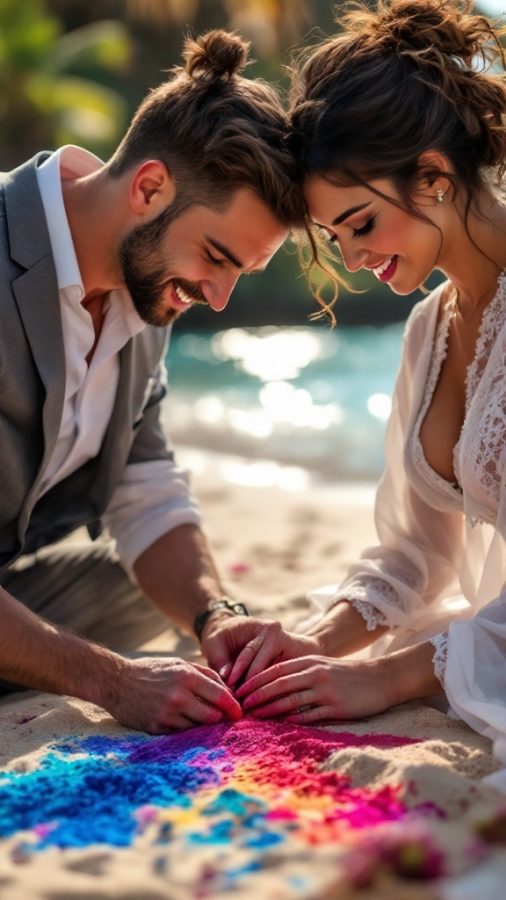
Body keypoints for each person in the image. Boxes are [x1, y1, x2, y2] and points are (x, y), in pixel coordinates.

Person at [0, 29, 307, 734]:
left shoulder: (148, 285)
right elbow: (110, 676)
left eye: (242, 274)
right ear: (148, 187)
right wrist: (109, 679)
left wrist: (215, 613)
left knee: (132, 590)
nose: (220, 296)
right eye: (217, 256)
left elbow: (144, 485)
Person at [226, 0, 506, 770]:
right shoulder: (430, 328)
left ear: (434, 177)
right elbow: (420, 550)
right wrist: (316, 642)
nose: (350, 258)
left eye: (359, 223)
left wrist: (386, 677)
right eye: (335, 236)